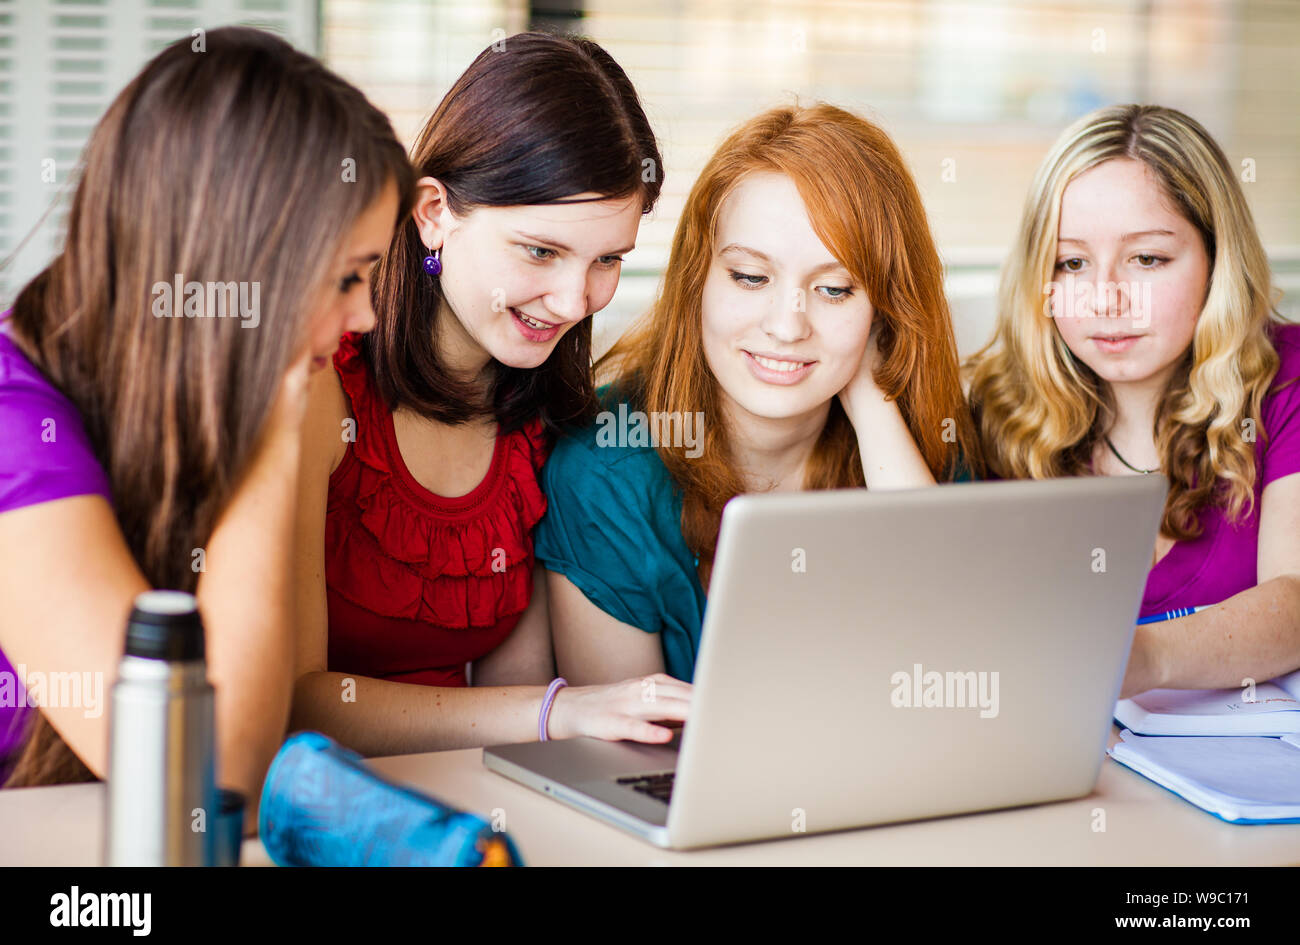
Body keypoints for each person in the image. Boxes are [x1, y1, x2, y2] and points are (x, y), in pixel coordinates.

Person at [0, 27, 414, 818]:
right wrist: (269, 437)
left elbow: (269, 723)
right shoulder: (14, 425)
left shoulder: (203, 390)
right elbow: (216, 777)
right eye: (343, 278)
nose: (363, 316)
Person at [290, 32, 691, 755]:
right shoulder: (321, 386)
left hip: (471, 794)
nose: (574, 300)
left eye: (608, 260)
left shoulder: (542, 413)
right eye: (541, 250)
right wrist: (559, 714)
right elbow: (295, 703)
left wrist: (553, 724)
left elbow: (515, 681)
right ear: (434, 211)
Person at [535, 103, 982, 685]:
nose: (787, 326)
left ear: (883, 308)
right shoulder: (606, 472)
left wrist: (874, 402)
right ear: (698, 280)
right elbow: (624, 755)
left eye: (835, 288)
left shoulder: (920, 446)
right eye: (751, 277)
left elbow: (960, 671)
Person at [966, 104, 1300, 698]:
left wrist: (1131, 659)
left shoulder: (1287, 379)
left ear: (1217, 262)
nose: (1107, 301)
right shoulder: (991, 410)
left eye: (1147, 258)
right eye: (1071, 263)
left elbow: (1295, 602)